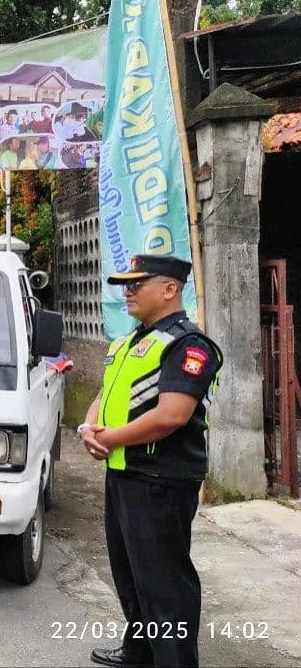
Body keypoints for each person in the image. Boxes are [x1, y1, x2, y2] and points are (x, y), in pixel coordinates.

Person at [80, 254, 222, 668]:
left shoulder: (187, 345)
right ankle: (139, 652)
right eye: (125, 285)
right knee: (131, 575)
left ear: (170, 289)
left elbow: (172, 415)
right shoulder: (132, 341)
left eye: (136, 284)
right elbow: (107, 393)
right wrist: (89, 428)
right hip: (125, 473)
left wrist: (109, 438)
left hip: (160, 478)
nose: (127, 291)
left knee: (164, 583)